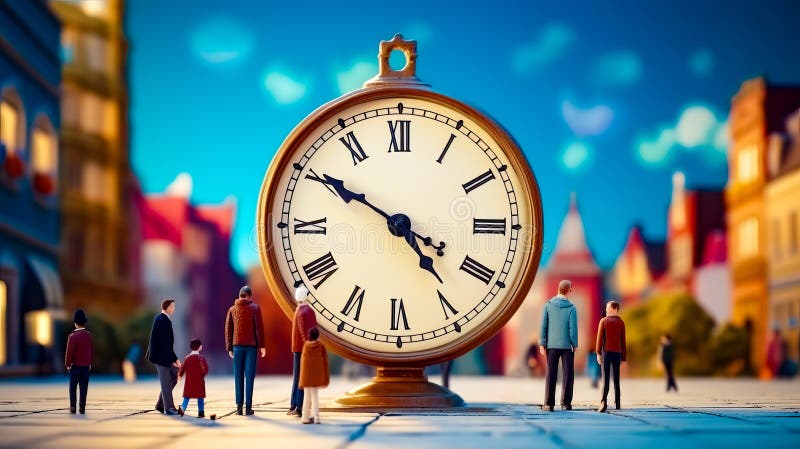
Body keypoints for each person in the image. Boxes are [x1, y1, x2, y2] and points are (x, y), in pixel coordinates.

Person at [225, 285, 266, 416]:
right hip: (251, 347)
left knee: (238, 377)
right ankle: (248, 407)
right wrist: (262, 346)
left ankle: (239, 407)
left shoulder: (232, 309)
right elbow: (258, 328)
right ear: (249, 296)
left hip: (237, 347)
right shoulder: (255, 308)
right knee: (249, 377)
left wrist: (229, 347)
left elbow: (228, 329)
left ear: (239, 295)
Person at [539, 280, 578, 411]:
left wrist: (542, 343)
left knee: (551, 373)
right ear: (570, 290)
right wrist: (575, 344)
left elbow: (543, 325)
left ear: (558, 289)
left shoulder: (548, 306)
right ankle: (566, 403)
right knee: (568, 374)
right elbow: (573, 329)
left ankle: (549, 403)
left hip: (551, 346)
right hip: (567, 346)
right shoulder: (572, 308)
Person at [147, 299, 182, 416]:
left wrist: (173, 358)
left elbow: (167, 343)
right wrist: (175, 359)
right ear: (166, 307)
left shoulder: (164, 319)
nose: (174, 309)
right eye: (172, 307)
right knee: (166, 382)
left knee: (176, 373)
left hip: (164, 355)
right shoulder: (162, 320)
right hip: (160, 357)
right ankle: (169, 408)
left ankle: (160, 404)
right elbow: (165, 343)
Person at [288, 286, 317, 417]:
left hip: (299, 348)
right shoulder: (308, 311)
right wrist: (310, 344)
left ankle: (295, 405)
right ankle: (298, 405)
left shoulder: (299, 311)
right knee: (302, 378)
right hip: (305, 347)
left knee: (297, 378)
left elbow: (302, 329)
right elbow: (309, 329)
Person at [595, 301, 626, 412]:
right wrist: (623, 358)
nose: (606, 310)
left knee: (606, 379)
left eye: (608, 308)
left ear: (614, 308)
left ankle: (603, 401)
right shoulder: (621, 323)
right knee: (616, 379)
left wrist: (598, 353)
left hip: (606, 353)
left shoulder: (603, 321)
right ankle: (617, 402)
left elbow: (599, 339)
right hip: (617, 354)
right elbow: (623, 341)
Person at [65, 309, 93, 414]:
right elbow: (91, 350)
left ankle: (73, 406)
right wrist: (90, 363)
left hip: (75, 366)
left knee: (73, 387)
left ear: (75, 323)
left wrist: (67, 364)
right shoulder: (89, 335)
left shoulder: (72, 337)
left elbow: (69, 353)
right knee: (84, 388)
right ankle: (82, 407)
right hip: (86, 366)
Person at [299, 327, 328, 424]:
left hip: (307, 377)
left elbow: (303, 363)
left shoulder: (306, 346)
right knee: (315, 397)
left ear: (309, 335)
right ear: (318, 336)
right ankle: (316, 417)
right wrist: (326, 379)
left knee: (306, 398)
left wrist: (301, 380)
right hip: (317, 377)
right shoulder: (321, 346)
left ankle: (305, 418)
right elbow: (325, 363)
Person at [178, 339, 209, 418]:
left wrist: (180, 375)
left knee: (187, 397)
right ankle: (201, 412)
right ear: (200, 347)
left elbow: (183, 368)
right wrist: (201, 375)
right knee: (200, 397)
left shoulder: (187, 358)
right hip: (199, 381)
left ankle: (182, 408)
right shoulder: (201, 358)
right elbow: (206, 369)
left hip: (189, 382)